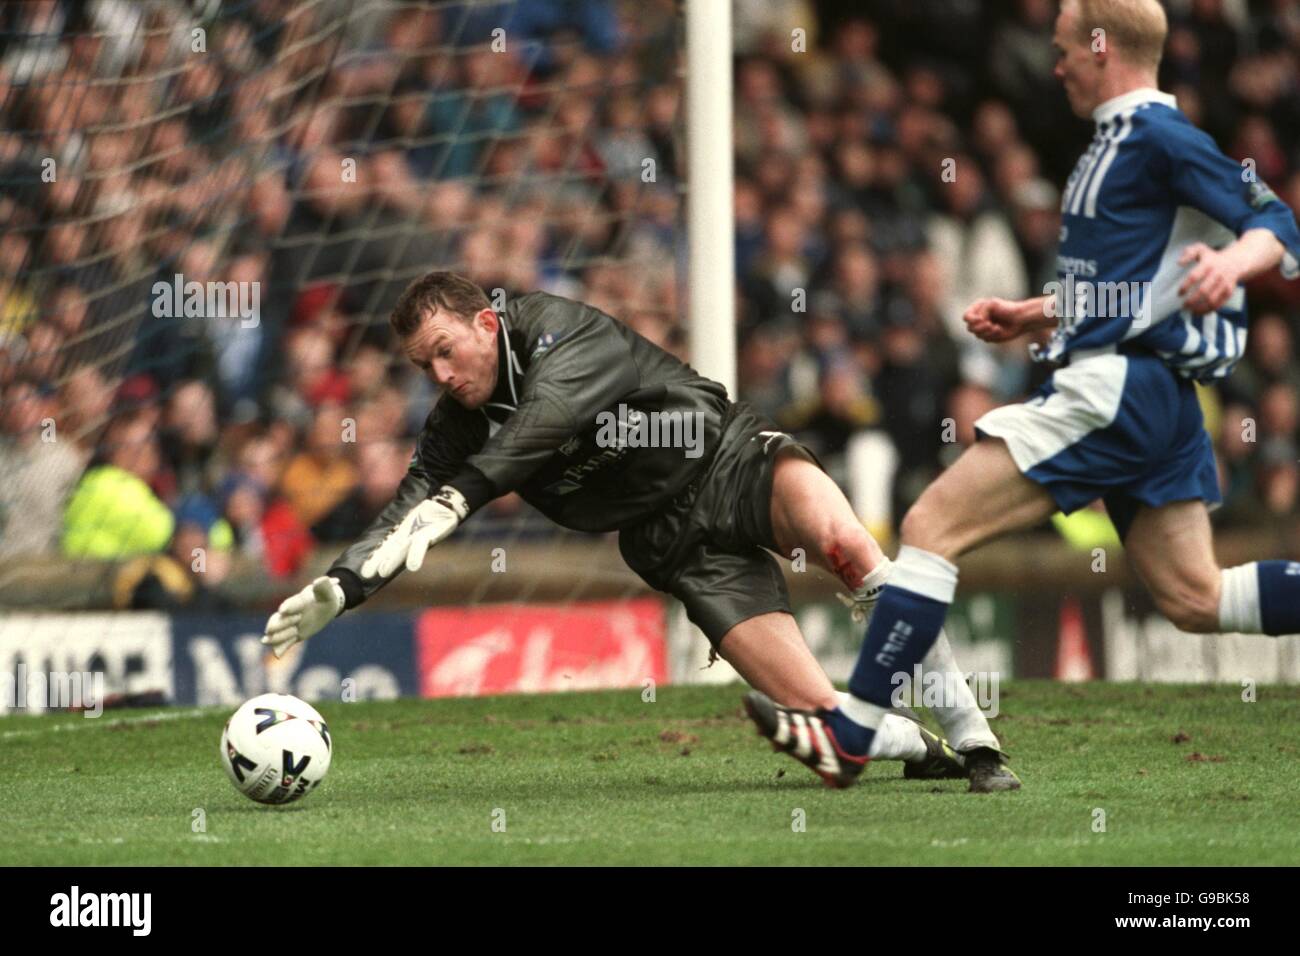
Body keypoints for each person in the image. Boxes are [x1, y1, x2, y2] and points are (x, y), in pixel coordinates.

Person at [752, 0, 1300, 787]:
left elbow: (1276, 222)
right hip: (1157, 400)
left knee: (928, 524)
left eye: (1064, 50)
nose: (1056, 65)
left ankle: (853, 734)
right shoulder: (1117, 142)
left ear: (1101, 47)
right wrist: (1036, 312)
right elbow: (1123, 284)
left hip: (1116, 387)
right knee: (1195, 596)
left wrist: (1232, 265)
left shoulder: (1158, 134)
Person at [259, 271, 1015, 790]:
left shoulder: (559, 330)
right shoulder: (454, 428)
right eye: (425, 367)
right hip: (669, 542)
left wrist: (460, 500)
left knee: (850, 548)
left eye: (446, 352)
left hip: (724, 455)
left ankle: (976, 736)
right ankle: (923, 749)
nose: (441, 377)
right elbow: (404, 509)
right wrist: (344, 582)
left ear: (486, 322)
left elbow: (546, 420)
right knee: (823, 730)